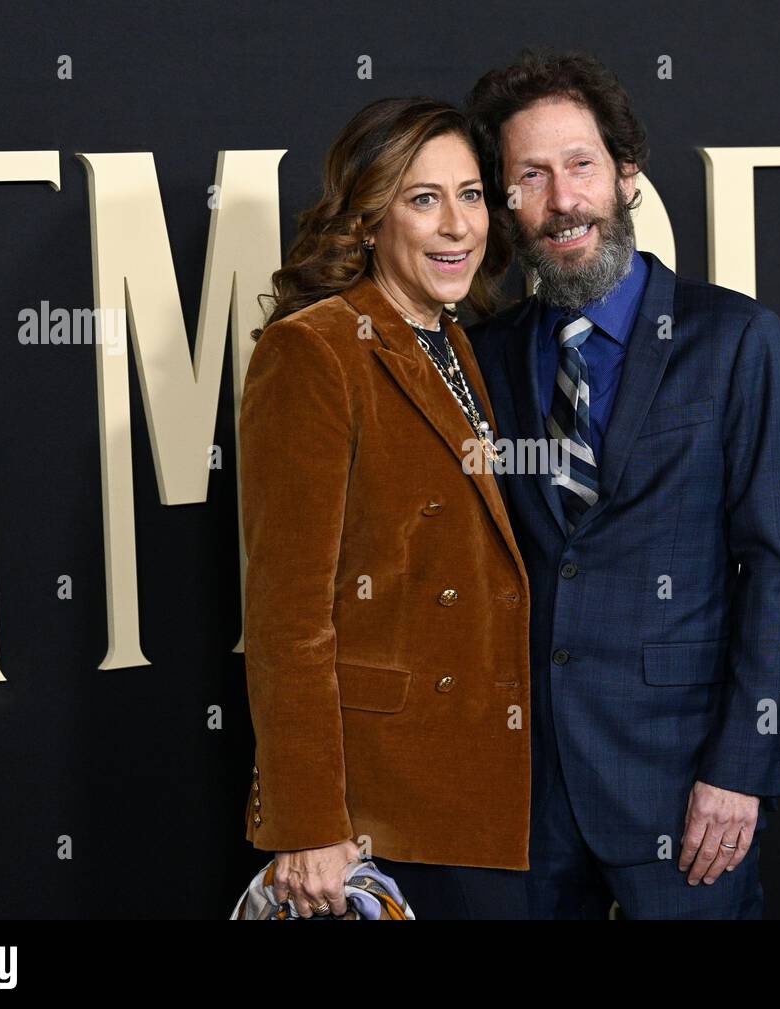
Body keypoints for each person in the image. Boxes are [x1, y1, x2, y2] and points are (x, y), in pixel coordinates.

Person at [463, 50, 780, 919]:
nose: (563, 199)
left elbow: (777, 570)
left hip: (684, 787)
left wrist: (739, 770)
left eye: (581, 165)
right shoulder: (490, 354)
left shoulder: (734, 339)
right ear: (508, 205)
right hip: (524, 803)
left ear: (626, 174)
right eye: (531, 177)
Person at [238, 97, 531, 919]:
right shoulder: (313, 350)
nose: (457, 226)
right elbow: (286, 614)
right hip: (379, 809)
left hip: (479, 780)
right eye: (423, 198)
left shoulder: (456, 340)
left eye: (471, 195)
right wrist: (308, 822)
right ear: (369, 220)